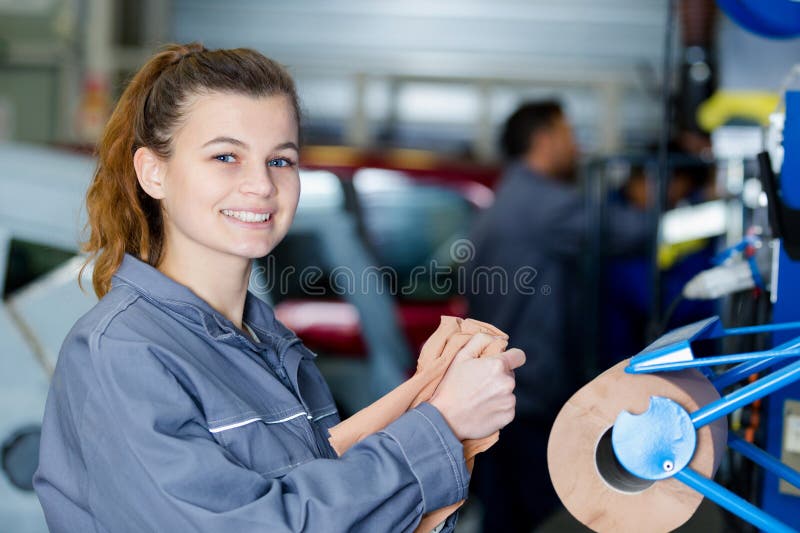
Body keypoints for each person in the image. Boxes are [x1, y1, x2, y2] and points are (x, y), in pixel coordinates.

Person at [32, 43, 525, 533]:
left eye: (281, 161)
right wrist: (440, 427)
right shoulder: (121, 352)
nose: (262, 185)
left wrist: (442, 411)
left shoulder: (273, 347)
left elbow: (328, 504)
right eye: (226, 156)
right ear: (153, 173)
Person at [466, 101, 650, 532]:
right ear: (544, 139)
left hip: (508, 390)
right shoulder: (542, 204)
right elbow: (628, 232)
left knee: (506, 513)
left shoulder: (510, 196)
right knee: (540, 514)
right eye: (569, 134)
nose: (577, 146)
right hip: (531, 395)